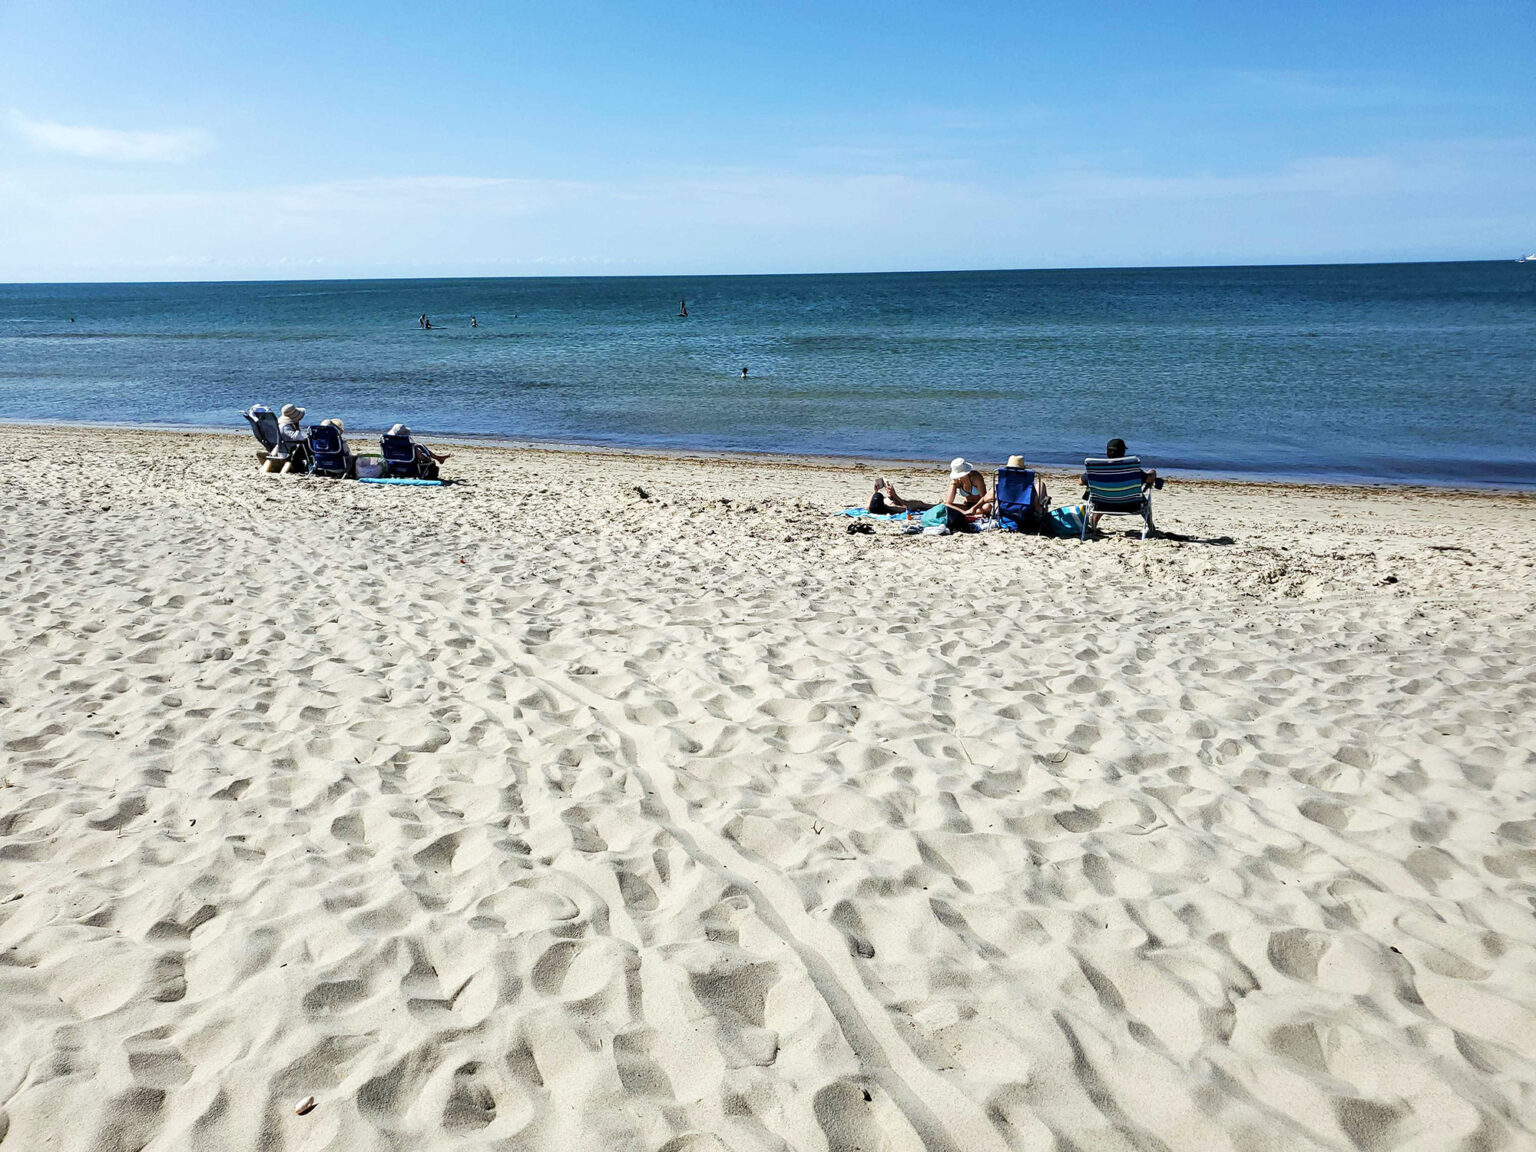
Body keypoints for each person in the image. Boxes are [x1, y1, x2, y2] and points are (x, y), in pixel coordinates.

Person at [265, 403, 309, 473]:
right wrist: (297, 428)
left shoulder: (281, 426)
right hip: (288, 449)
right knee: (308, 443)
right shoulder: (285, 427)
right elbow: (297, 438)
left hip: (283, 447)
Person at [867, 475, 935, 514]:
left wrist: (875, 491)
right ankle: (938, 505)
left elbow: (868, 504)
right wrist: (895, 495)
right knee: (919, 504)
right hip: (906, 505)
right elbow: (906, 508)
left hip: (891, 502)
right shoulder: (889, 509)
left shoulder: (870, 508)